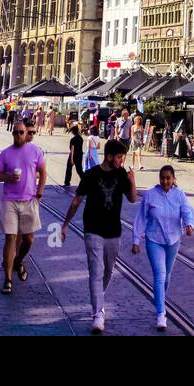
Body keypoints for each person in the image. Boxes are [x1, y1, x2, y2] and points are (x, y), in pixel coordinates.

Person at [61, 139, 137, 332]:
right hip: (93, 229)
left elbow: (132, 198)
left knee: (108, 271)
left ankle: (97, 297)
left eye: (123, 157)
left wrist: (132, 181)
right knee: (96, 271)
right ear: (109, 156)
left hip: (113, 231)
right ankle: (98, 314)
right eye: (119, 157)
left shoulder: (121, 174)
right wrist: (66, 223)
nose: (122, 160)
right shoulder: (91, 174)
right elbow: (77, 200)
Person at [132, 164, 194, 331]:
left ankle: (160, 298)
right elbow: (141, 217)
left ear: (173, 179)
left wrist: (189, 225)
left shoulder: (179, 195)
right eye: (162, 178)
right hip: (154, 239)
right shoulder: (150, 195)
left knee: (166, 276)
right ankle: (161, 314)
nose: (165, 181)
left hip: (173, 240)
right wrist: (136, 240)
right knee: (159, 275)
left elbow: (187, 211)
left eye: (168, 178)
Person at [0, 120, 47, 295]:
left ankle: (18, 262)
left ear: (26, 133)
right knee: (11, 238)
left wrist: (39, 192)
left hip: (29, 200)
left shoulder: (35, 151)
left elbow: (43, 172)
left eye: (21, 132)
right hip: (10, 200)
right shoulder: (6, 153)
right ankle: (8, 280)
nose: (18, 135)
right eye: (15, 133)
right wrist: (8, 177)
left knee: (29, 239)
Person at [65, 120, 85, 188]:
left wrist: (71, 159)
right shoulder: (81, 138)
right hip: (80, 155)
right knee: (79, 169)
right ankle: (85, 181)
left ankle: (67, 182)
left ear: (73, 132)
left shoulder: (73, 139)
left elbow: (72, 150)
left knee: (69, 168)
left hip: (74, 155)